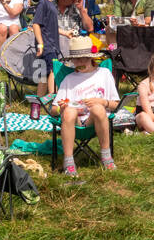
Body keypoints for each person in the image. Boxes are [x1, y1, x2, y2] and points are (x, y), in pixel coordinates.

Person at [51, 36, 119, 178]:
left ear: (91, 58)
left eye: (84, 58)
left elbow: (115, 105)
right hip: (73, 122)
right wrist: (62, 108)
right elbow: (53, 109)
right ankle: (69, 161)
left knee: (98, 108)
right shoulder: (69, 79)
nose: (80, 62)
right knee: (69, 111)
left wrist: (102, 102)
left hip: (95, 121)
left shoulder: (104, 74)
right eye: (76, 59)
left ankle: (106, 156)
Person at [30, 0, 61, 94]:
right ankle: (54, 98)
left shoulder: (50, 4)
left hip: (49, 44)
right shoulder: (43, 4)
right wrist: (41, 44)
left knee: (43, 73)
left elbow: (49, 26)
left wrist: (65, 33)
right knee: (54, 71)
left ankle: (39, 100)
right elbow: (36, 24)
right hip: (48, 45)